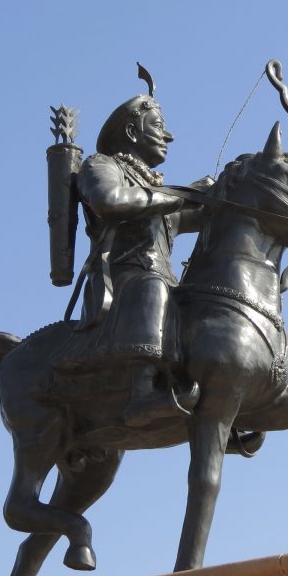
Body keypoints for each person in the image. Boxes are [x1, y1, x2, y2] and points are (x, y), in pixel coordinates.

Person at [75, 91, 204, 427]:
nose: (169, 135)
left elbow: (195, 218)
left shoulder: (155, 188)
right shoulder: (101, 165)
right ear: (132, 133)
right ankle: (142, 391)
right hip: (123, 279)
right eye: (159, 126)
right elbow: (110, 200)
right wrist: (177, 195)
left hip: (160, 278)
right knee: (153, 287)